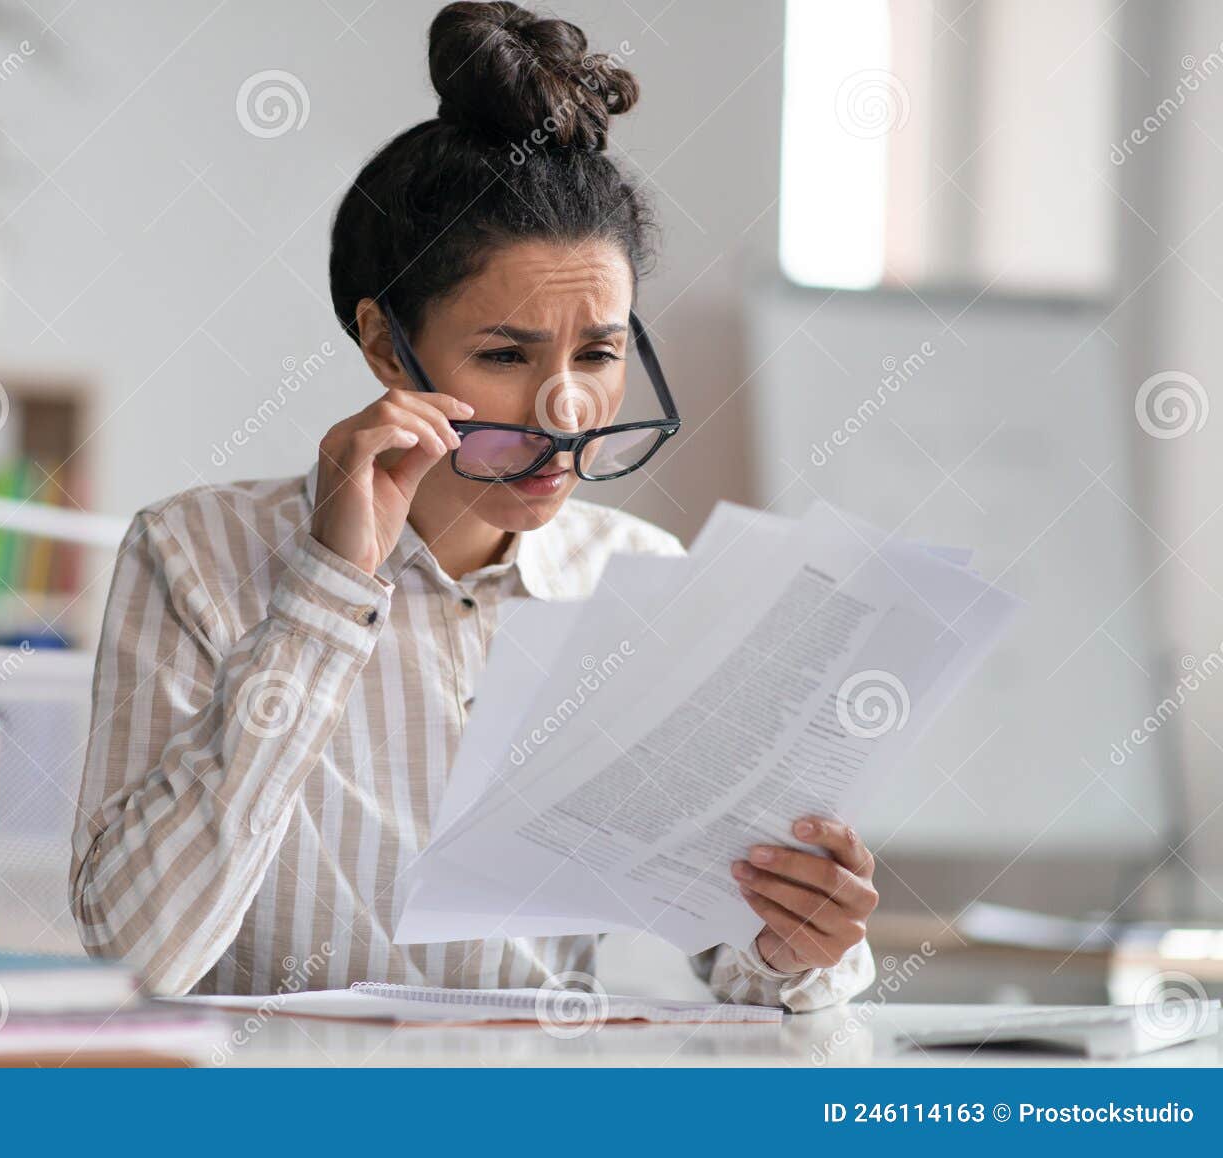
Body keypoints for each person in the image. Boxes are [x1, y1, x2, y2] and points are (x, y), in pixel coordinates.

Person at [72, 0, 876, 1010]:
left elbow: (736, 961)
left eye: (599, 352)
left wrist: (795, 942)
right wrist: (325, 596)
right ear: (384, 345)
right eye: (504, 355)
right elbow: (136, 960)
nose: (565, 411)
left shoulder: (642, 580)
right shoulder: (192, 554)